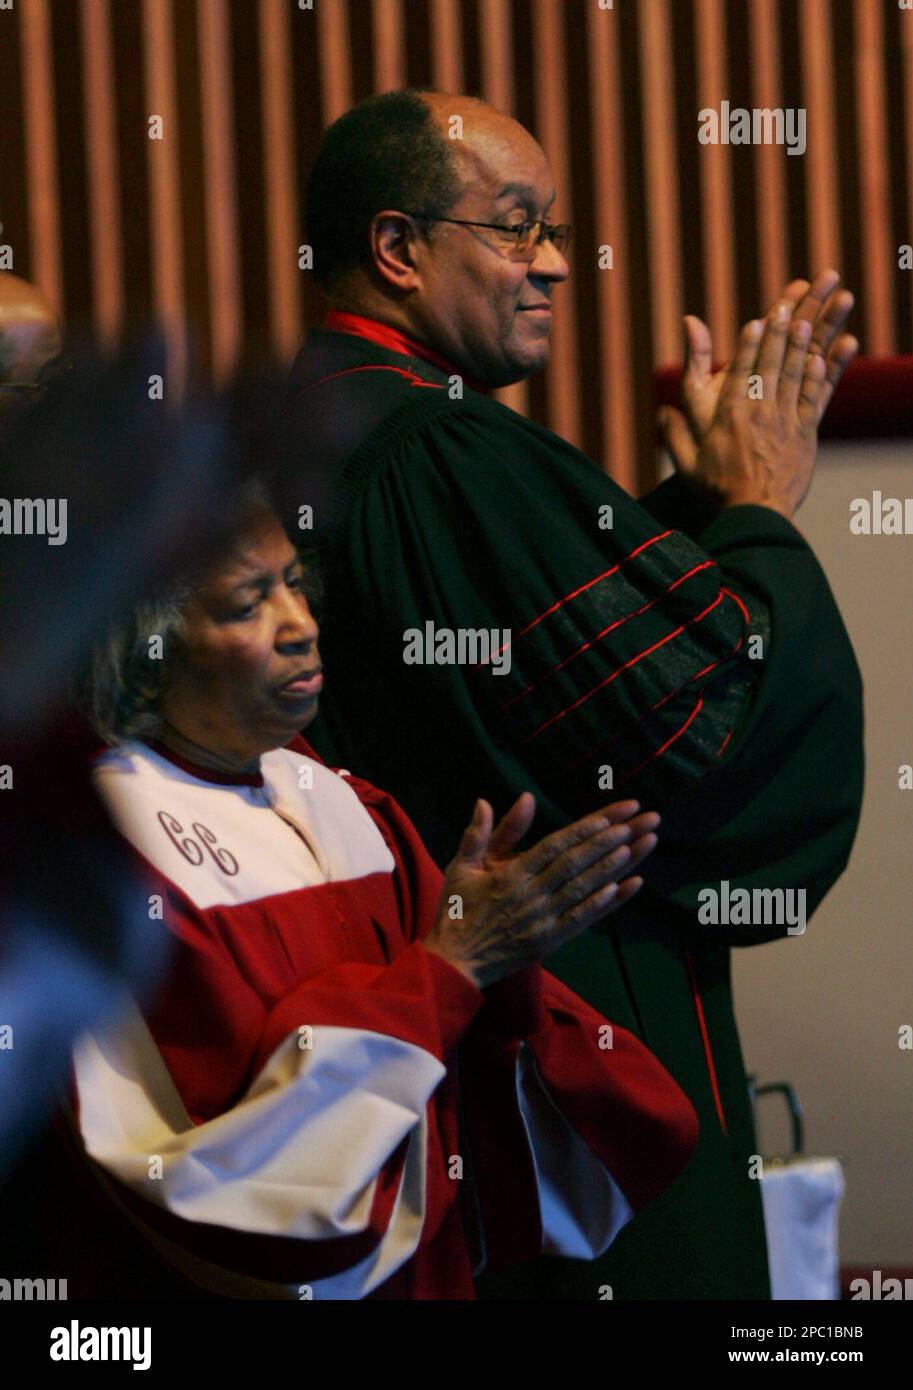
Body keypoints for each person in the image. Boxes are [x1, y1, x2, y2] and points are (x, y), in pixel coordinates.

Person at [278, 88, 865, 1300]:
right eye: (513, 227)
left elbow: (531, 663)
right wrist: (755, 510)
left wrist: (700, 508)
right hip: (551, 1030)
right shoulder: (433, 442)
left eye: (552, 230)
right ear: (395, 250)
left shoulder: (314, 421)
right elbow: (695, 724)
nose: (552, 265)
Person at [25, 487, 700, 1301]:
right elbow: (230, 1182)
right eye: (248, 603)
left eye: (292, 582)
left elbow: (472, 1120)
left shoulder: (343, 802)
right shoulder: (104, 851)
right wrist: (448, 970)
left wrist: (505, 954)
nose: (300, 624)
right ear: (147, 646)